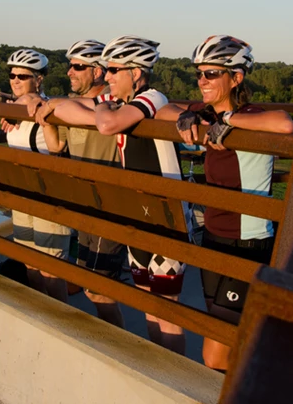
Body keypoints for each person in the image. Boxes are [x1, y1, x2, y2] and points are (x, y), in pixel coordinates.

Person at [156, 35, 293, 371]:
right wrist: (185, 117)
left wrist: (228, 121)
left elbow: (285, 124)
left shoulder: (251, 115)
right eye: (199, 73)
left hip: (247, 240)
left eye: (212, 73)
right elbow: (163, 110)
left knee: (215, 354)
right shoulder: (204, 113)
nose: (202, 80)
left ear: (236, 78)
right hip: (214, 236)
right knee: (229, 337)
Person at [46, 35, 189, 354]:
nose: (107, 76)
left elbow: (108, 125)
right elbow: (69, 108)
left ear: (136, 74)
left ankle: (175, 378)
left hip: (167, 219)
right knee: (148, 307)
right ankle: (158, 369)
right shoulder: (121, 103)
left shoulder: (153, 97)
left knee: (167, 313)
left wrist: (100, 112)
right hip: (139, 214)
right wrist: (89, 111)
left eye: (114, 70)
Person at [31, 39, 126, 328]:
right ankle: (113, 343)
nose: (70, 72)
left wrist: (55, 105)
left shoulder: (111, 104)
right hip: (85, 206)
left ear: (98, 72)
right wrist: (47, 116)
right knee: (90, 284)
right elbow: (57, 147)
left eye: (77, 66)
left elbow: (100, 111)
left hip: (108, 205)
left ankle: (118, 346)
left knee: (98, 290)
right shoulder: (72, 106)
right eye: (70, 66)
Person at [0, 48, 71, 303]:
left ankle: (62, 317)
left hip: (48, 197)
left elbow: (32, 102)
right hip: (22, 194)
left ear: (39, 79)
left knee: (51, 269)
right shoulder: (15, 105)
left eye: (23, 76)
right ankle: (41, 310)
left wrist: (23, 103)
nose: (15, 80)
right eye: (12, 75)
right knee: (30, 264)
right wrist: (8, 103)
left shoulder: (45, 108)